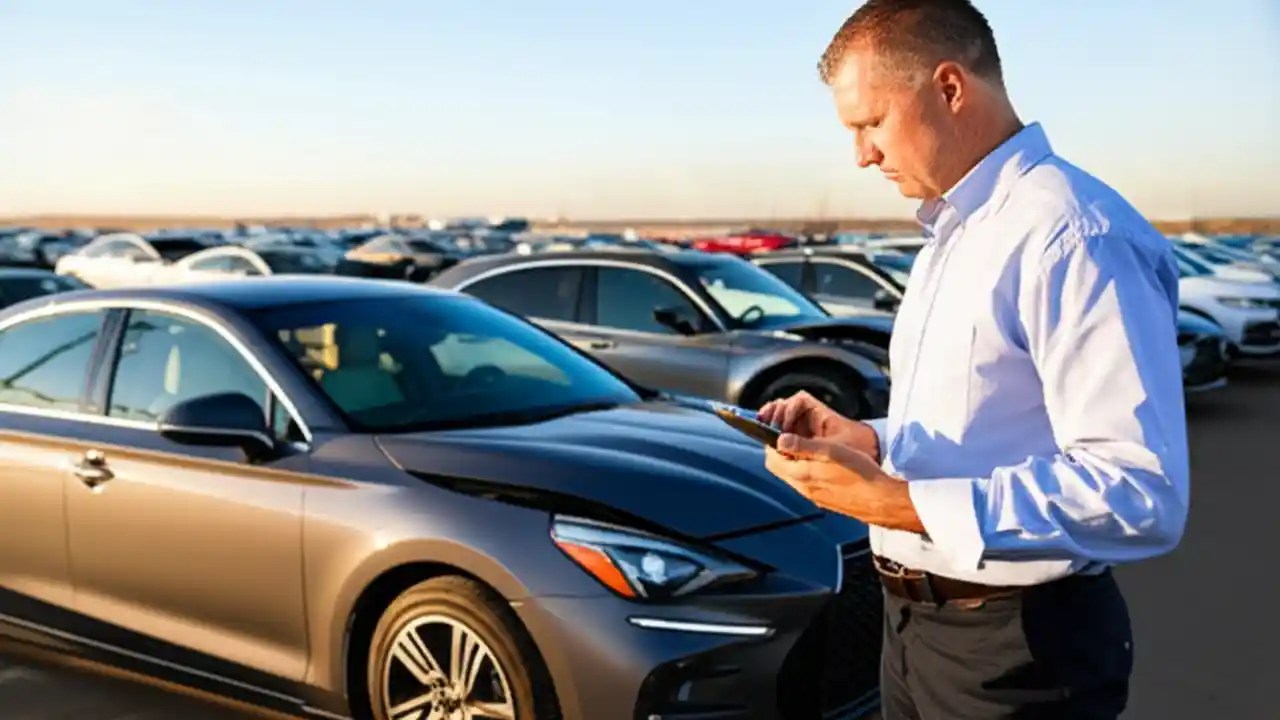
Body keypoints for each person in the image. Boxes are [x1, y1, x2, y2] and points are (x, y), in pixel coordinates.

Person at [758, 1, 1190, 718]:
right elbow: (981, 423)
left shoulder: (1072, 236)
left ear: (950, 88)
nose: (861, 154)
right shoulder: (952, 235)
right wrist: (869, 441)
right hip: (910, 630)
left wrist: (898, 504)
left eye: (870, 123)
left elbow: (1138, 490)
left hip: (1017, 649)